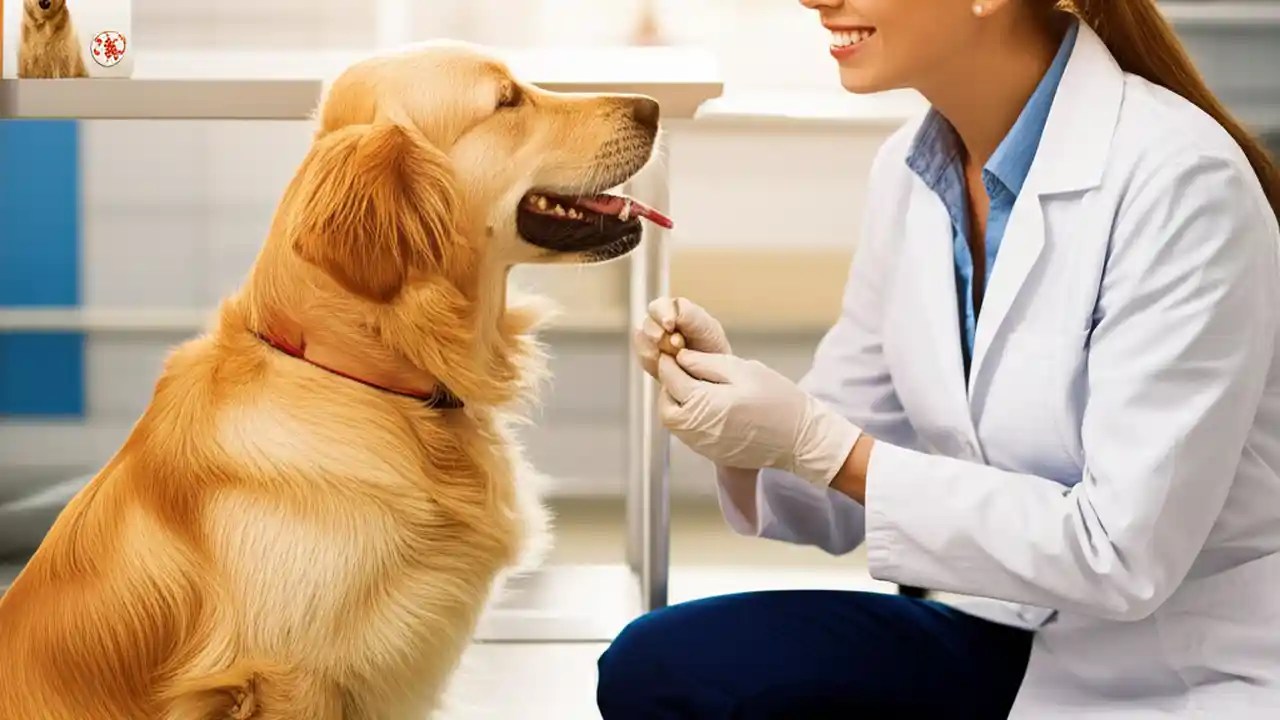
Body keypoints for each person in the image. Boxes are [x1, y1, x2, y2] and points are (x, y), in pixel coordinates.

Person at [595, 0, 1280, 718]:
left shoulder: (1182, 181)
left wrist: (821, 444)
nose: (813, 1)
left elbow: (1121, 556)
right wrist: (737, 423)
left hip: (1179, 674)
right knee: (663, 666)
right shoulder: (910, 170)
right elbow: (839, 465)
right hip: (1008, 633)